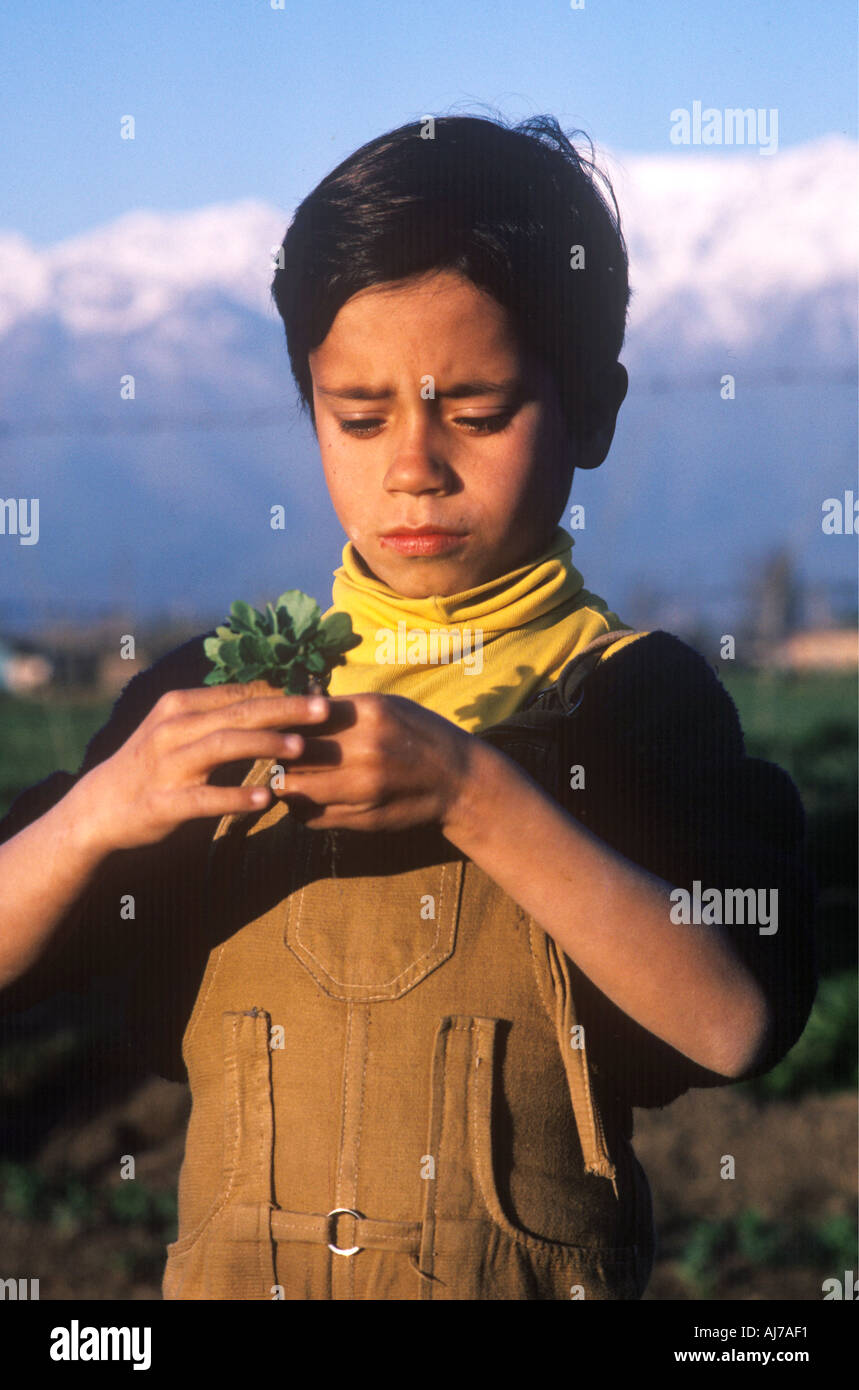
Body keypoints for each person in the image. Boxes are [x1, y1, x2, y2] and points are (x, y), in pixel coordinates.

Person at [0, 114, 817, 1300]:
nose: (414, 468)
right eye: (361, 416)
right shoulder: (211, 700)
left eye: (477, 413)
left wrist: (476, 793)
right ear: (309, 408)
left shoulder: (629, 700)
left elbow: (732, 1022)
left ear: (591, 411)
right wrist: (98, 811)